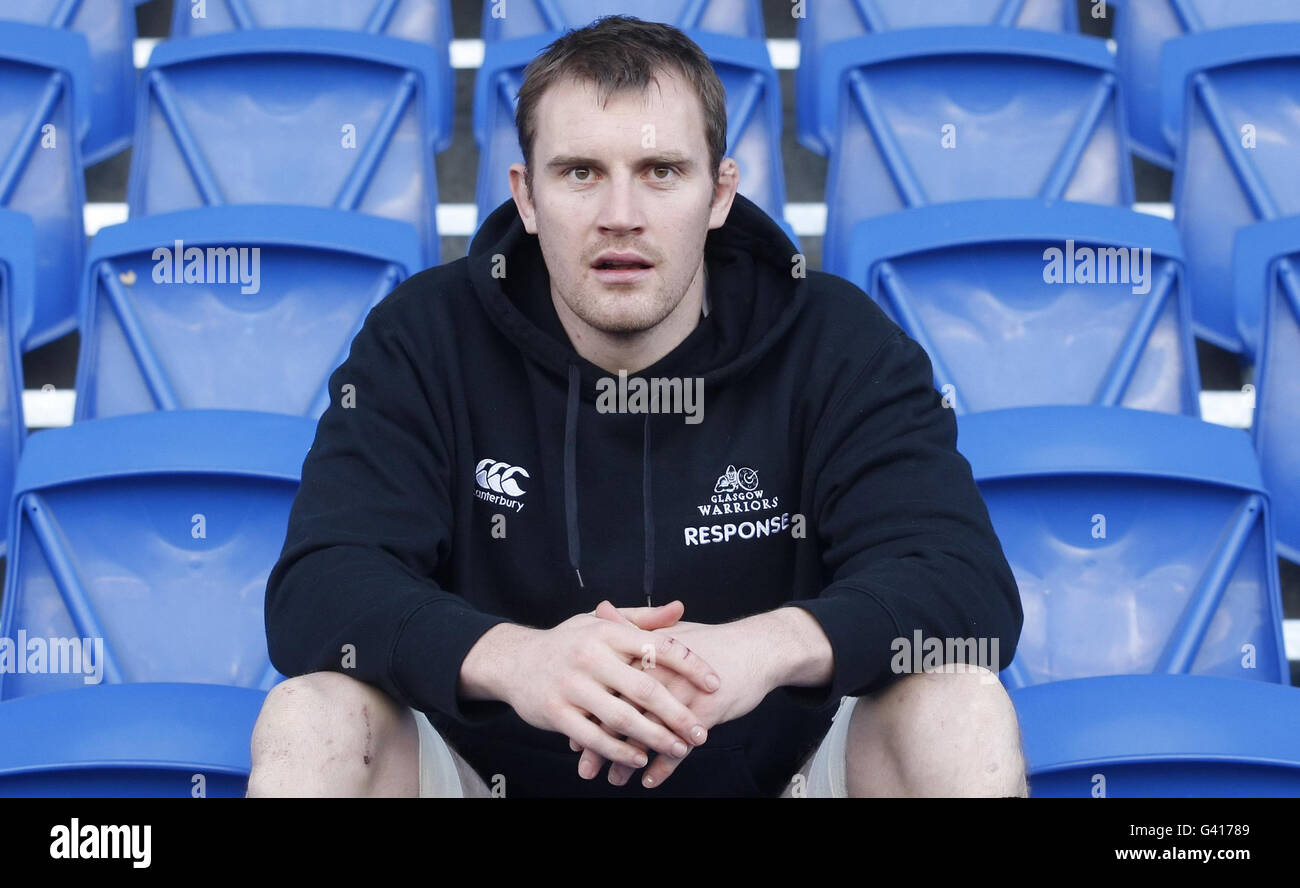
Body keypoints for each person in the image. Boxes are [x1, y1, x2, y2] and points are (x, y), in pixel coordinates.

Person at [248, 15, 1026, 798]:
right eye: (580, 172)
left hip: (776, 779)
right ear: (526, 195)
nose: (621, 213)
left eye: (661, 171)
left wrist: (762, 649)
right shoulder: (423, 338)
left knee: (955, 703)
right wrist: (517, 658)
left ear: (720, 193)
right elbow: (318, 590)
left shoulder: (838, 341)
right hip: (489, 780)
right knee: (312, 716)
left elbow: (969, 593)